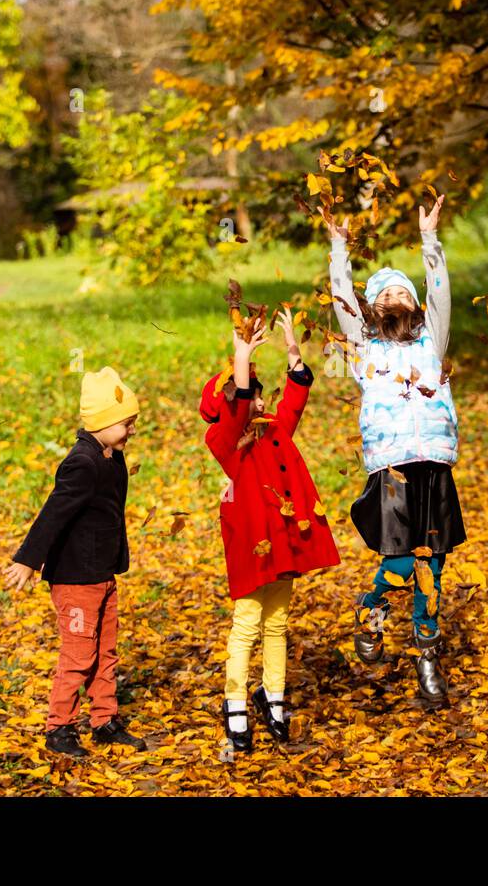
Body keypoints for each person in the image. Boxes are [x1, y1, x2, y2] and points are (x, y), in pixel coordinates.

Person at [325, 195, 466, 708]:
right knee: (402, 565)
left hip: (435, 468)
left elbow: (440, 293)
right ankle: (372, 613)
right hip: (392, 471)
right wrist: (339, 248)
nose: (393, 303)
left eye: (402, 296)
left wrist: (430, 241)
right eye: (382, 299)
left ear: (414, 306)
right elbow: (342, 299)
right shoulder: (366, 349)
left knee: (434, 568)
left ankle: (427, 659)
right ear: (373, 311)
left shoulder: (433, 342)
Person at [201, 309, 339, 751]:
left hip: (284, 544)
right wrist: (241, 355)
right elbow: (236, 406)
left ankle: (274, 695)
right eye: (252, 398)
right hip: (251, 546)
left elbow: (295, 400)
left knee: (277, 623)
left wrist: (294, 353)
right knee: (246, 624)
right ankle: (235, 701)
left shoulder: (275, 429)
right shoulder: (225, 441)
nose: (259, 404)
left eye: (261, 397)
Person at [4, 366, 148, 756]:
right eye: (127, 423)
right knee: (79, 655)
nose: (133, 430)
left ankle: (104, 720)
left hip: (102, 574)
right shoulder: (81, 463)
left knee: (106, 652)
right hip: (75, 579)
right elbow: (55, 512)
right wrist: (28, 561)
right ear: (102, 421)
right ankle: (59, 728)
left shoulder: (111, 456)